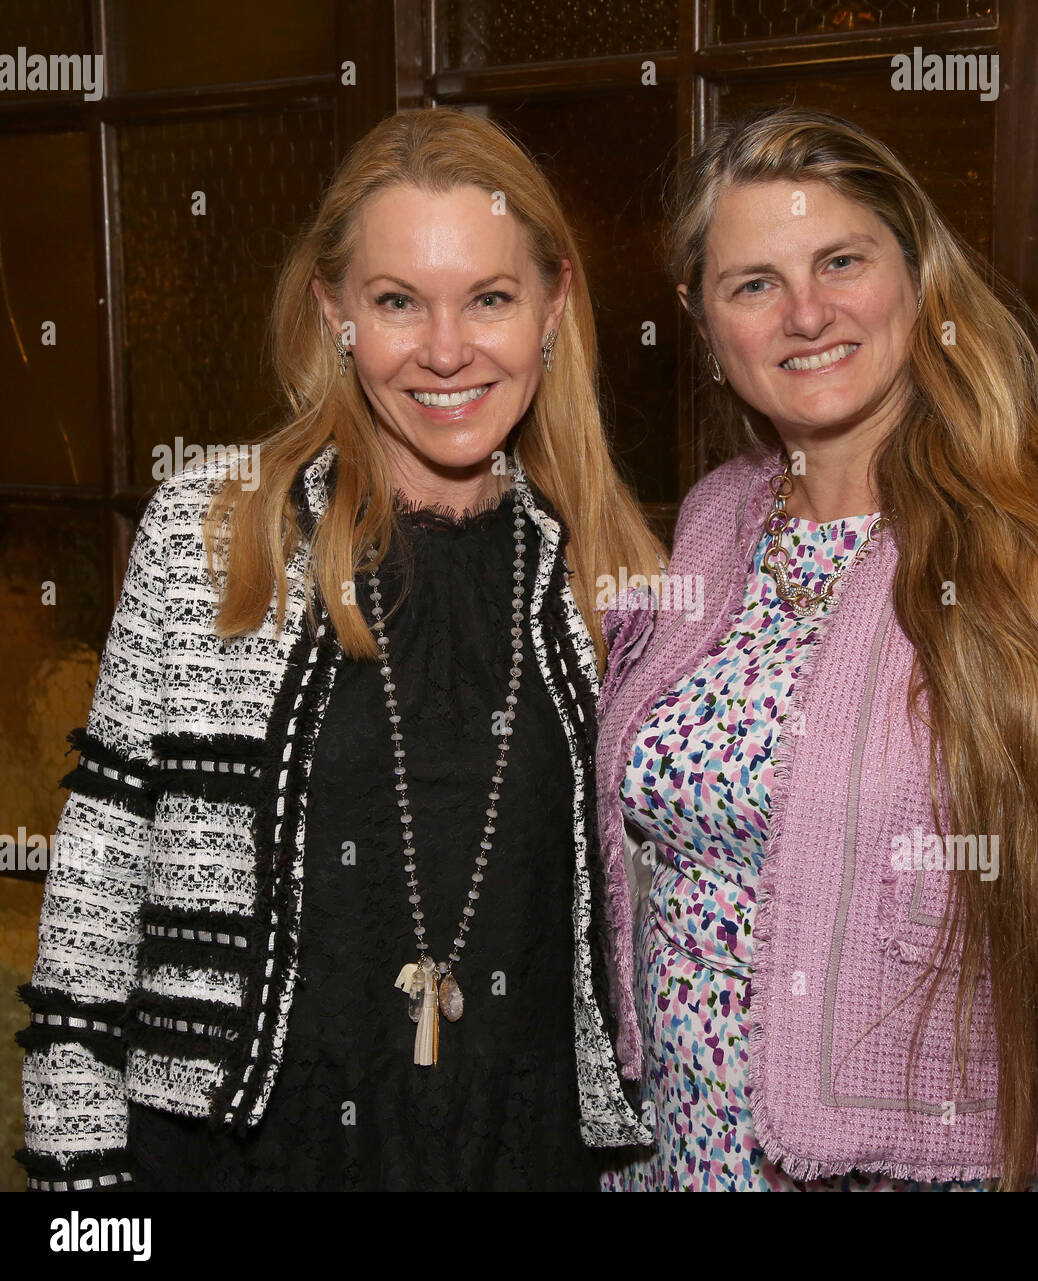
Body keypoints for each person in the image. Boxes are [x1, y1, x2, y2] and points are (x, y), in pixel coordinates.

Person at [594, 106, 1038, 1191]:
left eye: (841, 261)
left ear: (916, 277)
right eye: (753, 283)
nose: (806, 313)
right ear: (701, 323)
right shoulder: (715, 519)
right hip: (677, 1157)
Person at [16, 106, 662, 1192]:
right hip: (244, 1160)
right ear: (334, 313)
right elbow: (96, 879)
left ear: (552, 307)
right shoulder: (213, 534)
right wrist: (74, 1195)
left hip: (521, 1153)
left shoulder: (618, 581)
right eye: (397, 301)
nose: (446, 350)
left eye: (490, 298)